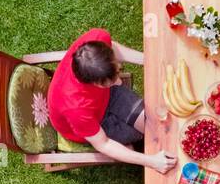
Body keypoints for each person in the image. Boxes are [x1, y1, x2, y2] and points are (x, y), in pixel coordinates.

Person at [47, 27, 177, 173]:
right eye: (113, 78)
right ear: (95, 84)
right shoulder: (75, 107)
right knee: (145, 133)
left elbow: (113, 47)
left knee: (153, 122)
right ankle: (135, 144)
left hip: (107, 96)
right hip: (93, 123)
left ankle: (133, 140)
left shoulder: (95, 40)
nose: (118, 77)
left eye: (117, 70)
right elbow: (104, 144)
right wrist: (152, 162)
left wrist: (149, 60)